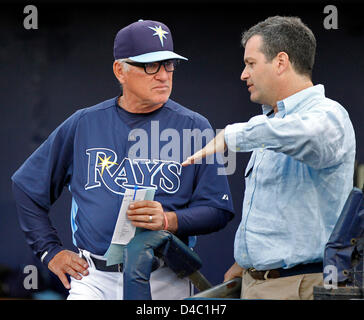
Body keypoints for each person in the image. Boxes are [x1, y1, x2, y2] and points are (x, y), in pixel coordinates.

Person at [11, 19, 234, 300]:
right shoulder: (84, 123)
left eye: (169, 64)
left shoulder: (194, 126)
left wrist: (169, 220)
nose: (164, 75)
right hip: (94, 277)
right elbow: (26, 186)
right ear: (121, 70)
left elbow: (218, 209)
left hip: (164, 275)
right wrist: (49, 251)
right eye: (151, 65)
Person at [182, 16, 356, 300]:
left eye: (251, 63)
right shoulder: (271, 123)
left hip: (300, 286)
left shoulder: (329, 115)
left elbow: (306, 134)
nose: (243, 74)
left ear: (280, 62)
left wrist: (230, 136)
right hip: (257, 283)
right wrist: (250, 261)